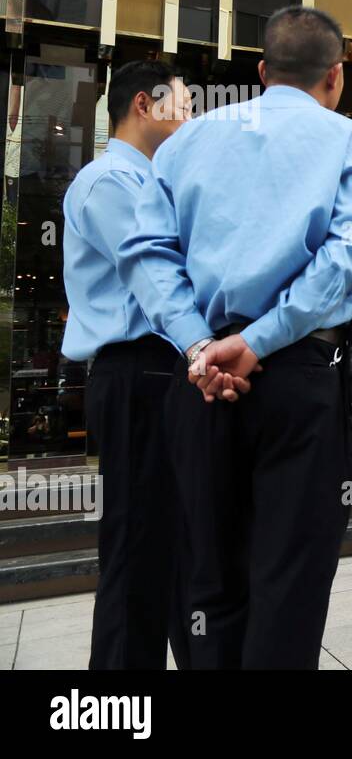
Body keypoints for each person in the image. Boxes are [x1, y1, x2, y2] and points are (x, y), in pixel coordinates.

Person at [117, 5, 352, 668]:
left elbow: (146, 258)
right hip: (298, 381)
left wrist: (200, 346)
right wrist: (259, 343)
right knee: (289, 579)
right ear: (336, 76)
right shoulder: (350, 141)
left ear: (263, 71)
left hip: (199, 379)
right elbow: (345, 262)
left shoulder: (184, 142)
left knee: (204, 576)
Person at [63, 59, 193, 669]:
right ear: (145, 104)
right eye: (183, 103)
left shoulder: (153, 181)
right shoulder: (109, 182)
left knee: (177, 549)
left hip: (167, 370)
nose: (191, 114)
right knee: (138, 547)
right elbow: (159, 276)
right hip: (137, 369)